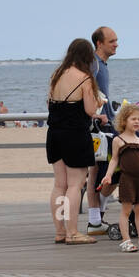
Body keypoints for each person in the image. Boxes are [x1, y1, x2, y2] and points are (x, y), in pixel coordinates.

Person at [45, 38, 102, 245]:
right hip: (75, 135)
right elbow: (90, 110)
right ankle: (73, 233)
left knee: (59, 185)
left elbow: (49, 103)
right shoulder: (85, 78)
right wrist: (99, 102)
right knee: (75, 185)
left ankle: (60, 232)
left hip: (54, 134)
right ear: (88, 56)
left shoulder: (56, 75)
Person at [100, 105, 139, 252]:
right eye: (133, 119)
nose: (137, 122)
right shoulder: (118, 140)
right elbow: (114, 160)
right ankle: (126, 240)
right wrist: (108, 175)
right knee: (126, 211)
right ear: (124, 120)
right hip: (127, 180)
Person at [86, 26, 118, 236]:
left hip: (107, 124)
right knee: (97, 172)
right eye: (112, 41)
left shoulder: (103, 65)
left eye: (117, 41)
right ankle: (94, 221)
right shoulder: (94, 65)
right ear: (99, 43)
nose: (116, 44)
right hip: (97, 127)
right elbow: (85, 92)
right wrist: (96, 116)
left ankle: (98, 219)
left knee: (104, 172)